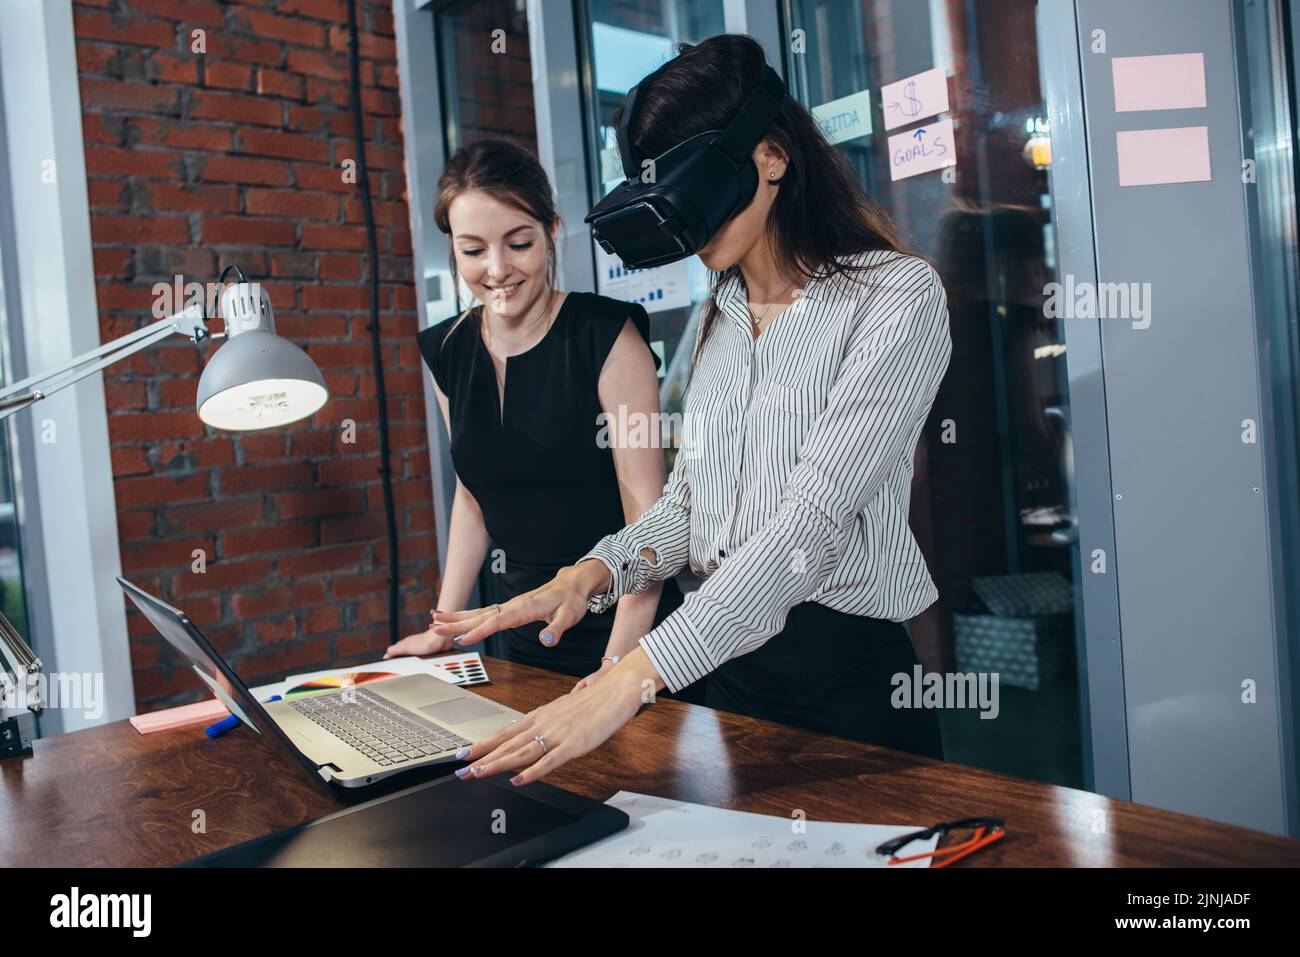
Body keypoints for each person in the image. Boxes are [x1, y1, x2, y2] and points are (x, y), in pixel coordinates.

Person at [430, 35, 953, 785]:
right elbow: (689, 505)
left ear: (771, 156)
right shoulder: (722, 309)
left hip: (846, 684)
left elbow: (809, 525)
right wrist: (589, 574)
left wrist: (632, 676)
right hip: (734, 683)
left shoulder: (896, 298)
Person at [388, 138, 704, 702]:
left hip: (634, 637)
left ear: (552, 229)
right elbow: (473, 494)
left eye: (518, 243)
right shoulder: (446, 351)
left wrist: (618, 667)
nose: (498, 270)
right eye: (473, 250)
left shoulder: (606, 336)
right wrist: (446, 626)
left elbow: (649, 521)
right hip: (525, 645)